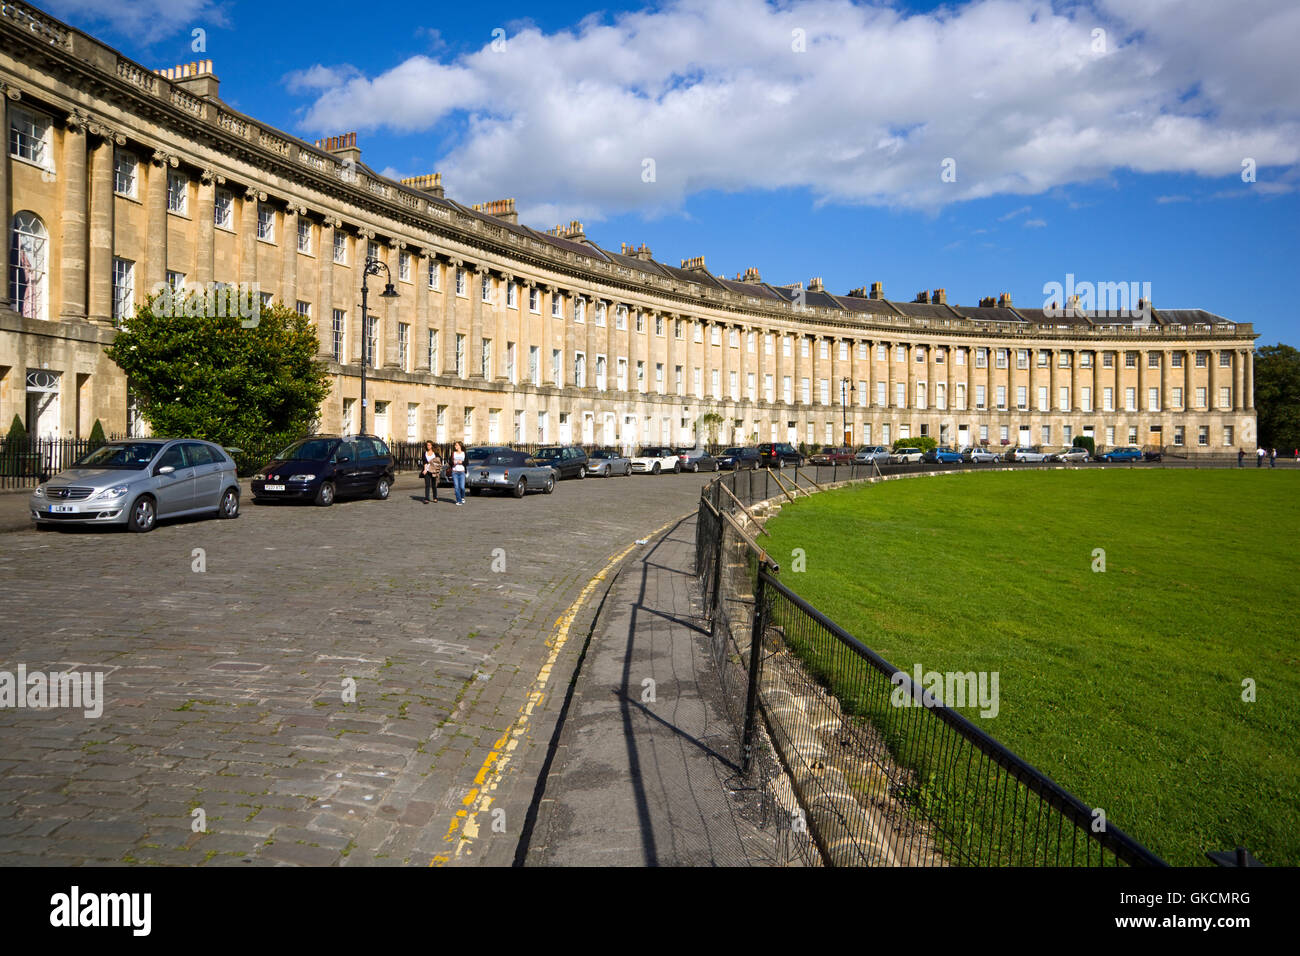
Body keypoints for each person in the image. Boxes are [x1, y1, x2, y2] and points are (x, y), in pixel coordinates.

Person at [451, 440, 467, 506]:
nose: (455, 446)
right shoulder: (453, 453)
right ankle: (459, 500)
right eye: (455, 445)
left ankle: (462, 497)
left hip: (462, 472)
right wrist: (453, 463)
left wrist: (462, 462)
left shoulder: (464, 453)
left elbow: (467, 463)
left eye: (456, 445)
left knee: (462, 487)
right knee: (456, 487)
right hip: (454, 472)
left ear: (460, 446)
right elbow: (450, 462)